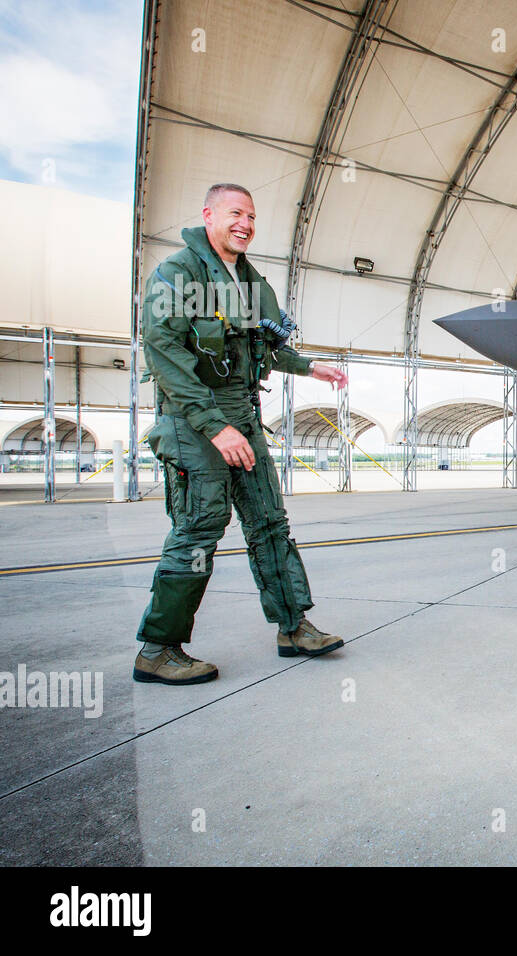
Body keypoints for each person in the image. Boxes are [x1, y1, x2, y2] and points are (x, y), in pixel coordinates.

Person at [133, 183, 350, 685]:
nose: (245, 224)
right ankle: (158, 649)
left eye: (251, 216)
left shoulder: (250, 282)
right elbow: (165, 356)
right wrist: (215, 427)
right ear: (208, 214)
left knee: (270, 523)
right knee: (198, 531)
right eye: (235, 213)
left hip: (244, 418)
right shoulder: (177, 274)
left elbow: (263, 349)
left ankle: (293, 626)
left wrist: (307, 367)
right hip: (194, 420)